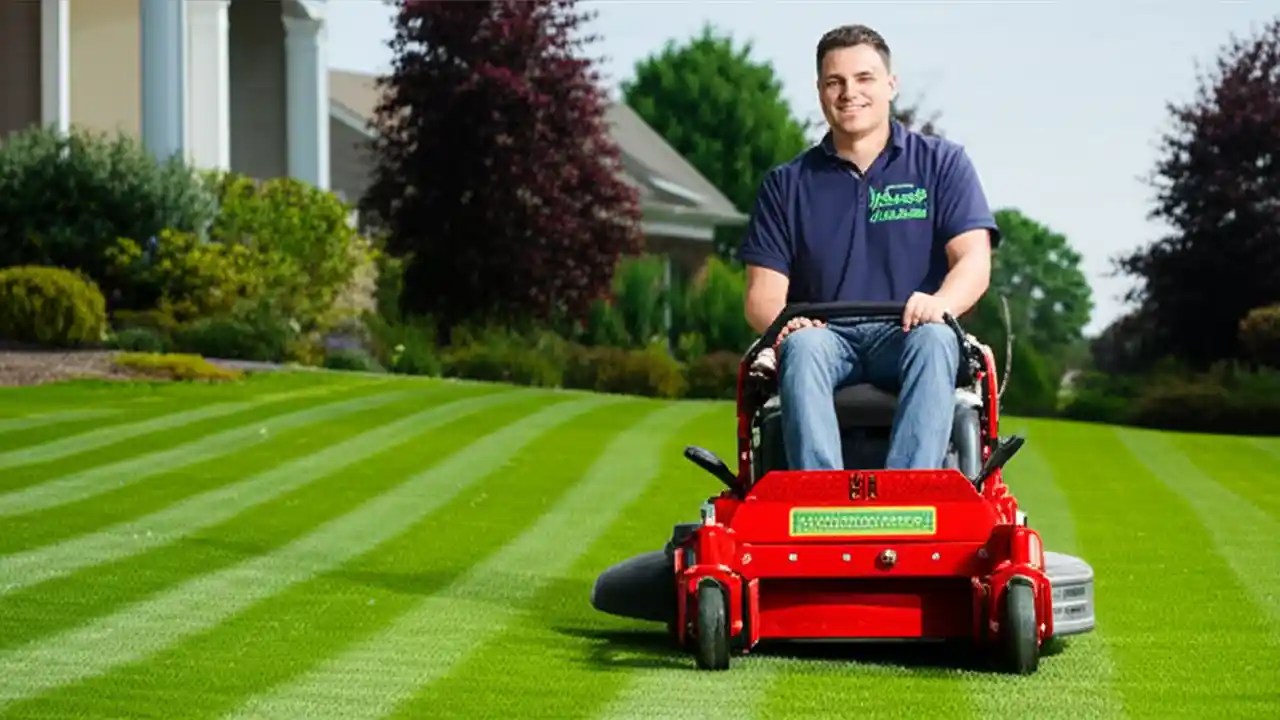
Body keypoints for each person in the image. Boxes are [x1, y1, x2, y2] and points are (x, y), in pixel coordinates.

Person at [738, 24, 1000, 471]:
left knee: (937, 339)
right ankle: (819, 500)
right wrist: (788, 326)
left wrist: (941, 304)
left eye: (864, 79)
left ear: (891, 85)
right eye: (835, 82)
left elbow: (974, 260)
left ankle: (909, 492)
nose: (848, 93)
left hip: (909, 331)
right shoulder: (787, 185)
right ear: (820, 90)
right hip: (826, 337)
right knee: (801, 348)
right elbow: (761, 297)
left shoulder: (941, 165)